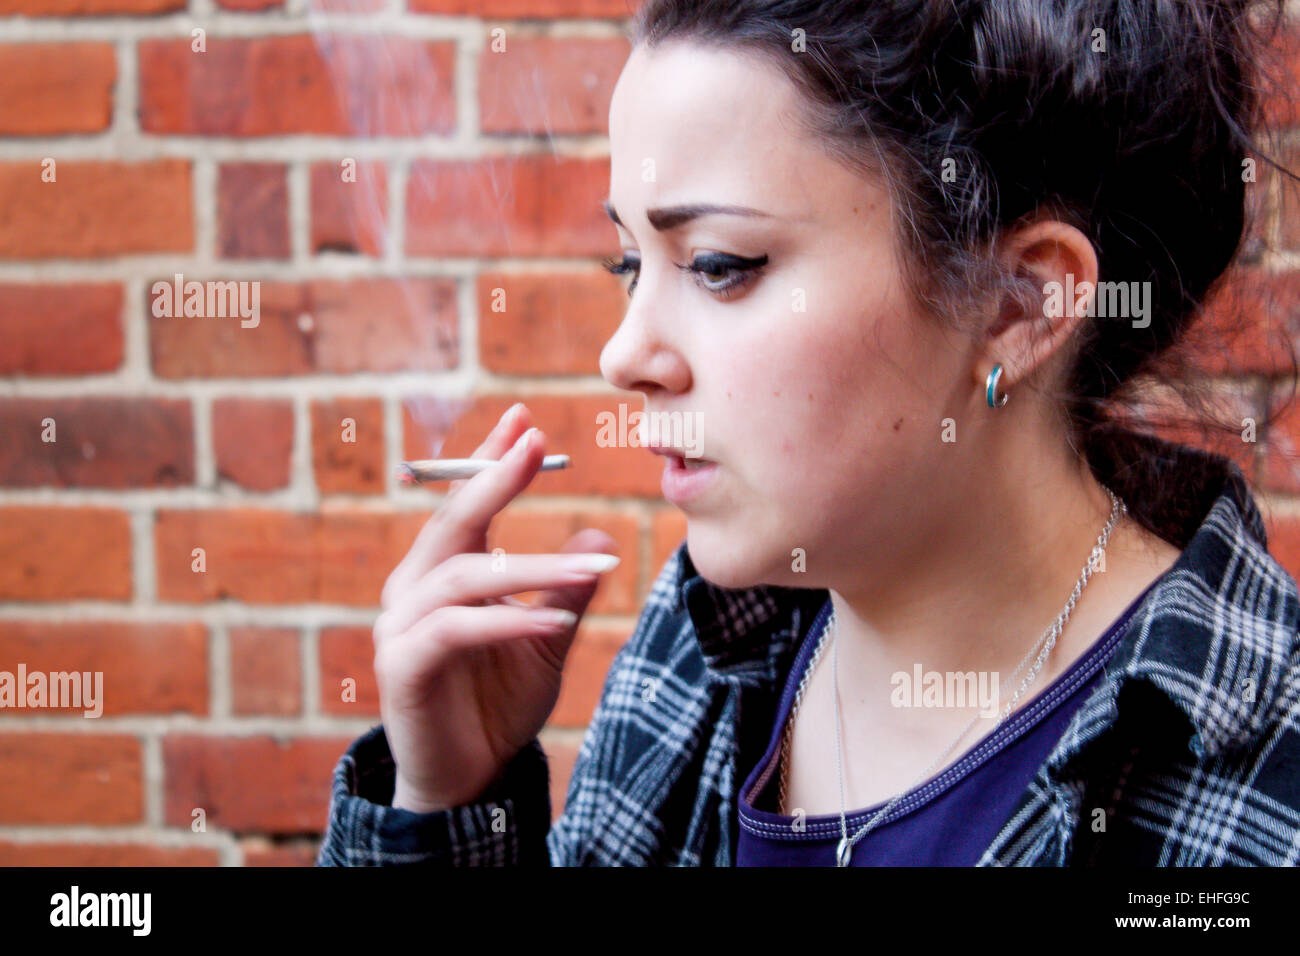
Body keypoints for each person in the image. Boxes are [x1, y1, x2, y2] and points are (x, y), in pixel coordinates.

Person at [317, 0, 1300, 866]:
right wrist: (446, 805)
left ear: (1016, 303)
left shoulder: (1260, 777)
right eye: (629, 263)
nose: (624, 354)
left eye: (716, 263)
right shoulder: (707, 645)